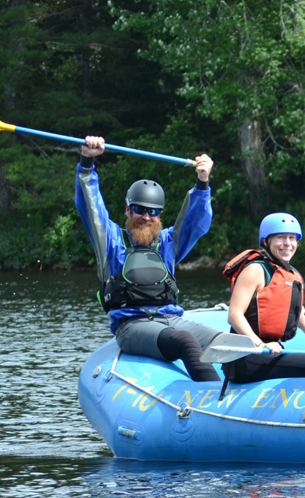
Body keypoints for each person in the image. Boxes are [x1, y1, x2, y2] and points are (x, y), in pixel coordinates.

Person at [76, 135, 220, 381]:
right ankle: (213, 402)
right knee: (185, 341)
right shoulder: (110, 241)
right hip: (132, 326)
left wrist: (203, 182)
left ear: (160, 215)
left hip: (171, 319)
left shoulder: (167, 243)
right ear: (128, 210)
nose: (146, 217)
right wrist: (87, 163)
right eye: (140, 210)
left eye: (153, 212)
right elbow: (91, 207)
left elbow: (196, 222)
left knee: (223, 341)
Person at [222, 213, 305, 390]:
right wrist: (260, 344)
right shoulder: (255, 270)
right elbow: (235, 315)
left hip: (271, 351)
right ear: (266, 241)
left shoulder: (293, 276)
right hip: (246, 356)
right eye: (280, 237)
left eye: (292, 238)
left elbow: (302, 319)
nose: (287, 243)